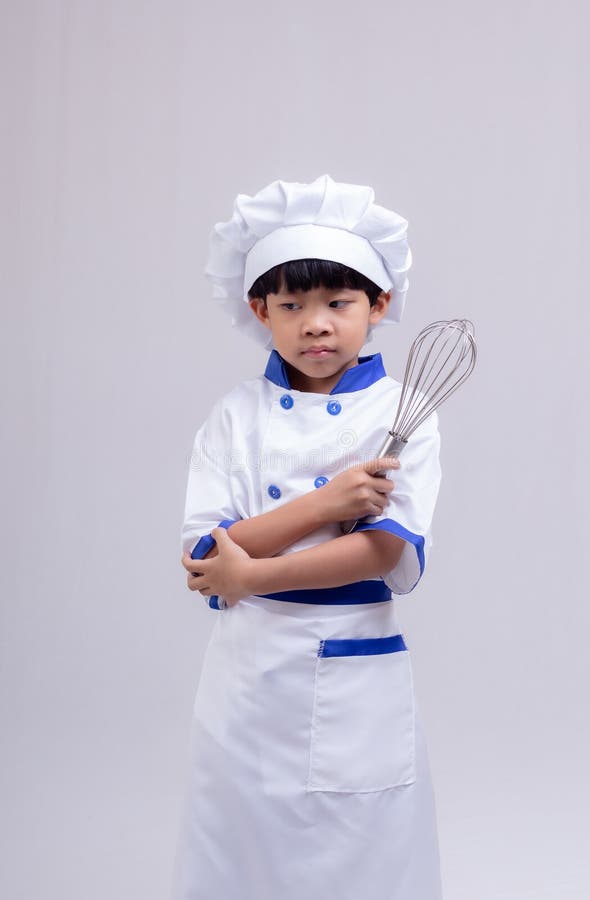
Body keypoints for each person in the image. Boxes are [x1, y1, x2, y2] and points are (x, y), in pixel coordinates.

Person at [170, 174, 444, 900]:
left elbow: (383, 551)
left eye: (338, 303)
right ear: (260, 310)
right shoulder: (234, 417)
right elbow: (204, 558)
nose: (315, 324)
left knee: (362, 858)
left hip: (354, 664)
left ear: (378, 304)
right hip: (247, 680)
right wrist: (326, 502)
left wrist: (250, 574)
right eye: (291, 305)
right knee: (237, 854)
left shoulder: (405, 412)